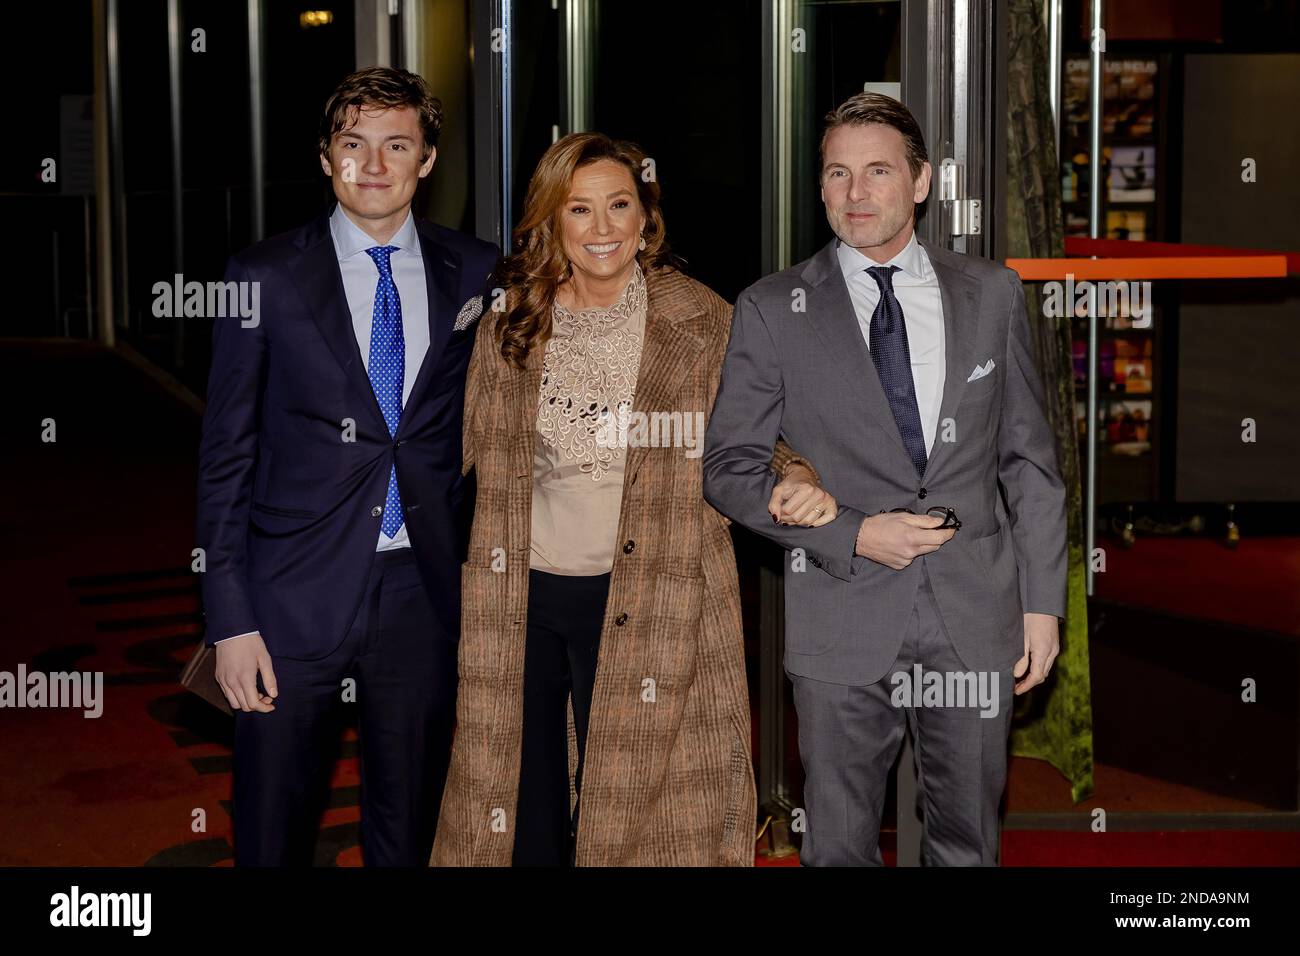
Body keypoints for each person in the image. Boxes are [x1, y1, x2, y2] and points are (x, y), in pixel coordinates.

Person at [430, 132, 831, 866]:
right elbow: (457, 449)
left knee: (646, 818)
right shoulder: (511, 322)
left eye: (620, 205)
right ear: (552, 222)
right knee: (519, 806)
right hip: (523, 600)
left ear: (647, 215)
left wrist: (795, 474)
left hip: (655, 597)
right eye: (579, 210)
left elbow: (755, 434)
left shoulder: (701, 319)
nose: (603, 227)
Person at [703, 92, 1067, 866]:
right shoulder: (773, 308)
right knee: (836, 847)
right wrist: (853, 532)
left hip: (976, 612)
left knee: (968, 841)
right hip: (842, 614)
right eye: (837, 173)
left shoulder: (992, 293)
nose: (855, 192)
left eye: (877, 171)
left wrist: (1042, 606)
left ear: (922, 182)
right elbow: (728, 469)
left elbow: (1029, 462)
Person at [196, 68, 497, 865]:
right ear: (326, 157)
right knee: (274, 815)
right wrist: (229, 618)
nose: (373, 164)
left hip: (421, 590)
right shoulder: (261, 276)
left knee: (413, 814)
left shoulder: (475, 270)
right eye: (352, 144)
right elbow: (226, 454)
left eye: (396, 145)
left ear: (426, 160)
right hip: (290, 589)